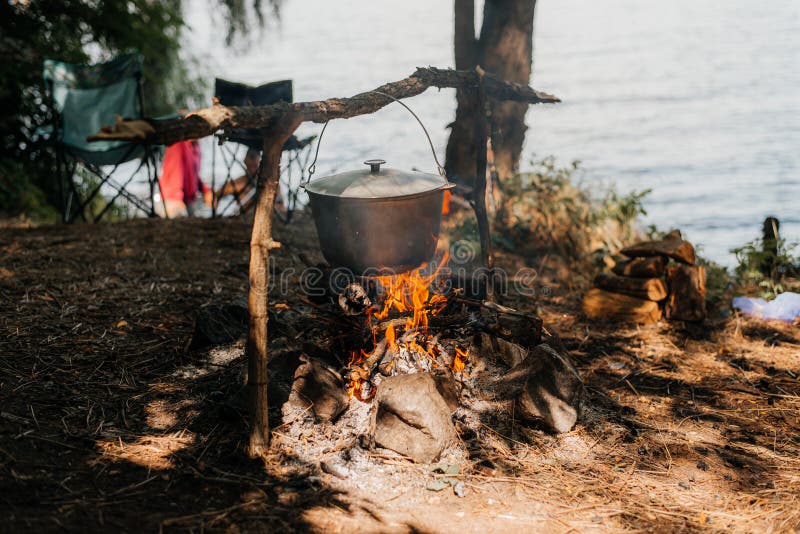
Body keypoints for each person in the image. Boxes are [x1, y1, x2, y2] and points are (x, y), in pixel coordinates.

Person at [157, 139, 212, 217]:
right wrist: (176, 198)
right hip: (172, 198)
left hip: (187, 199)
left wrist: (205, 190)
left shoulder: (195, 145)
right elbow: (174, 171)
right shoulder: (178, 144)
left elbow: (193, 174)